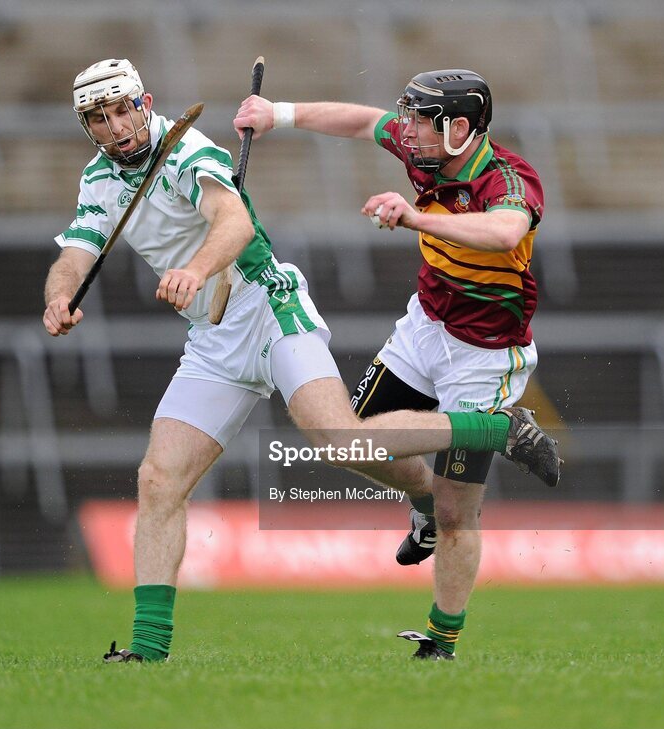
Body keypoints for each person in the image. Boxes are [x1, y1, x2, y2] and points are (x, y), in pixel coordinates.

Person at [44, 59, 560, 664]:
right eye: (98, 119)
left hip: (289, 311)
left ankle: (448, 616)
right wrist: (59, 294)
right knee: (162, 479)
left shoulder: (186, 151)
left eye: (121, 110)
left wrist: (196, 270)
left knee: (383, 465)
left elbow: (234, 222)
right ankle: (147, 651)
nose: (114, 127)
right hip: (249, 336)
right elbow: (77, 251)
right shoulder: (98, 180)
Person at [233, 68, 559, 660]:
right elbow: (363, 121)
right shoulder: (423, 151)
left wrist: (414, 218)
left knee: (460, 510)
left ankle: (441, 642)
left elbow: (504, 231)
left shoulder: (508, 178)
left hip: (486, 355)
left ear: (461, 129)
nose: (407, 131)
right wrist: (277, 114)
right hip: (424, 327)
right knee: (350, 442)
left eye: (422, 122)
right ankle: (443, 486)